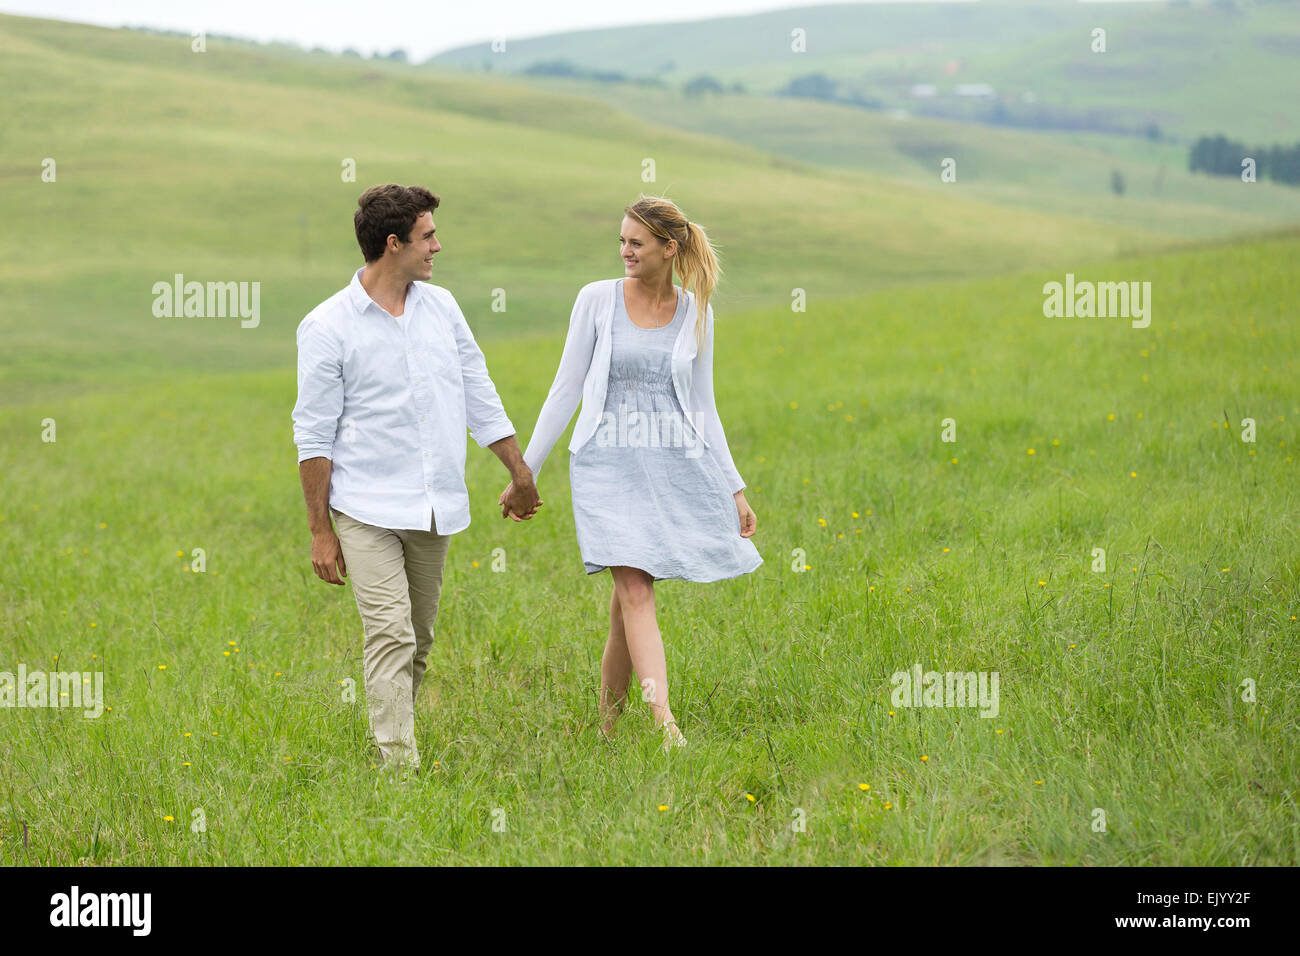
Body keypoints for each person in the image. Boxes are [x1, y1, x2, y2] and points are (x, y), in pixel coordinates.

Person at [293, 184, 541, 774]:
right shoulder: (327, 327)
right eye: (427, 236)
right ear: (393, 244)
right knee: (391, 635)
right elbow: (313, 436)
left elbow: (479, 393)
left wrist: (519, 470)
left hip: (434, 506)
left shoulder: (443, 309)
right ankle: (398, 767)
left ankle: (391, 739)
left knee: (418, 642)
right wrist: (319, 531)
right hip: (365, 508)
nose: (437, 246)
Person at [502, 196, 761, 750]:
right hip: (604, 463)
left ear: (669, 249)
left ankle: (607, 727)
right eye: (621, 241)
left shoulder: (697, 311)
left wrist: (734, 487)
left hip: (667, 461)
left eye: (635, 243)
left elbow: (704, 405)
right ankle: (665, 723)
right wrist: (527, 471)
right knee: (636, 586)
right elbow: (565, 388)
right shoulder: (596, 300)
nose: (624, 251)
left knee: (628, 599)